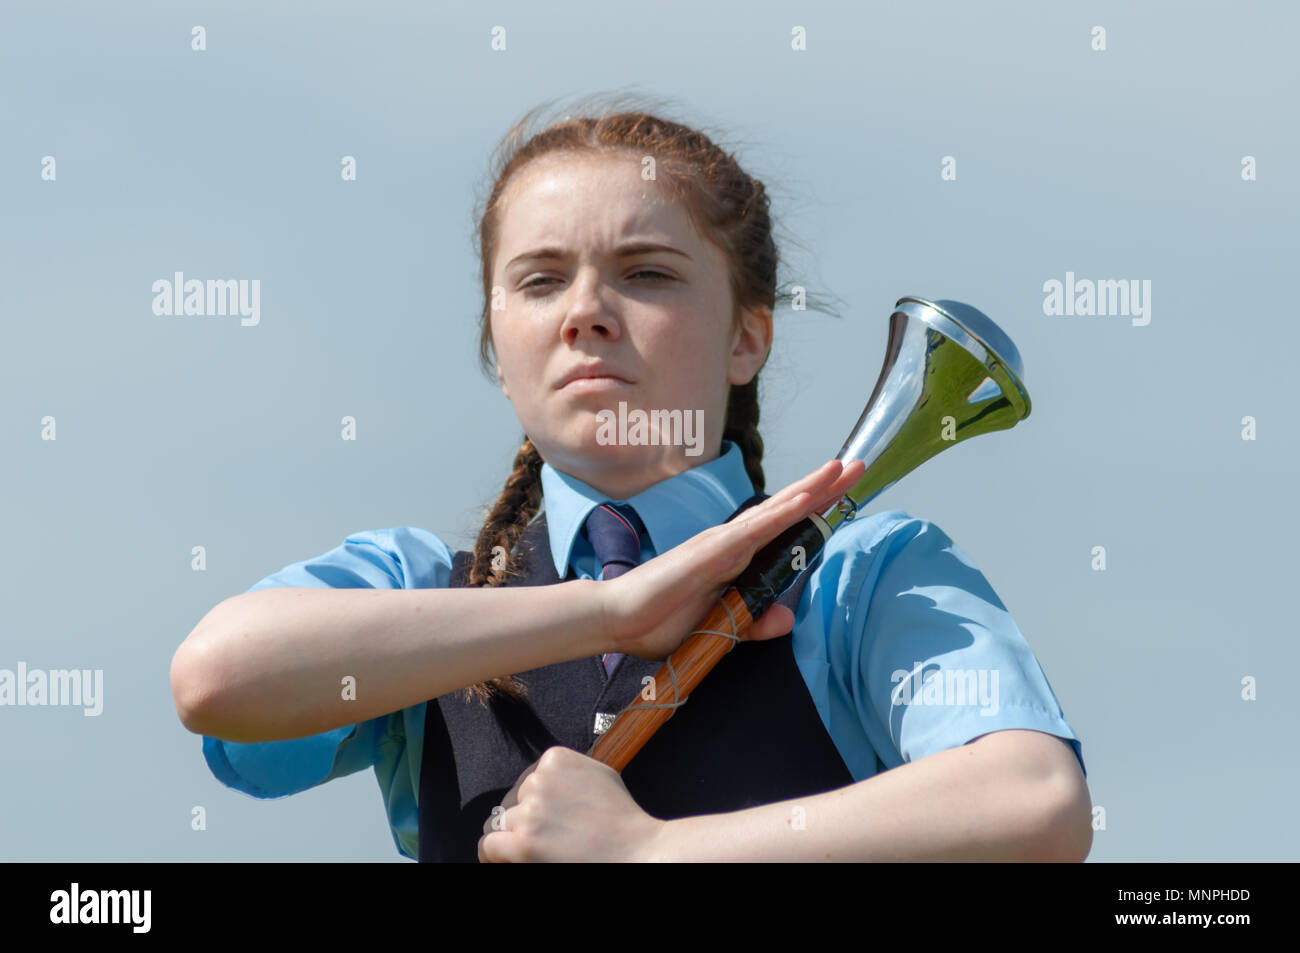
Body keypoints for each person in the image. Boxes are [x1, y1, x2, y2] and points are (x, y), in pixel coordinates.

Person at [171, 96, 1091, 863]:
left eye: (645, 274)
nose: (585, 315)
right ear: (498, 350)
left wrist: (650, 851)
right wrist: (606, 613)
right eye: (539, 282)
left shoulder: (863, 576)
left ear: (748, 337)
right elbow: (218, 677)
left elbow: (1036, 801)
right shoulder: (417, 588)